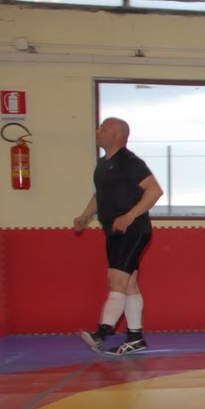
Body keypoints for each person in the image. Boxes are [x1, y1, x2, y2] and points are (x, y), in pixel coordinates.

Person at [73, 116, 163, 355]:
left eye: (102, 128)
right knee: (129, 284)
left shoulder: (129, 162)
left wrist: (130, 216)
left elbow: (155, 191)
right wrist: (85, 216)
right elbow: (100, 195)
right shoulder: (103, 165)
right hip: (114, 230)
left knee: (117, 280)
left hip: (132, 230)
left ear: (117, 135)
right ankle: (135, 337)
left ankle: (102, 332)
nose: (97, 131)